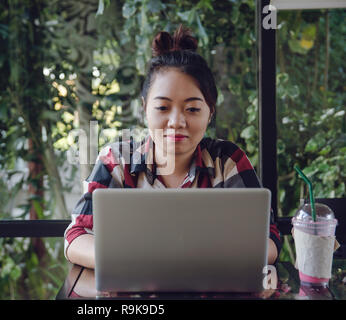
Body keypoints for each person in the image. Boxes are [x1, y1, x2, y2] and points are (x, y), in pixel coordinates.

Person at [64, 25, 281, 269]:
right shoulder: (117, 160)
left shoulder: (226, 161)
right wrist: (135, 263)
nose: (177, 121)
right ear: (145, 108)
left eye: (192, 109)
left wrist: (198, 263)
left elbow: (268, 238)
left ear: (210, 113)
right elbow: (77, 236)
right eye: (163, 108)